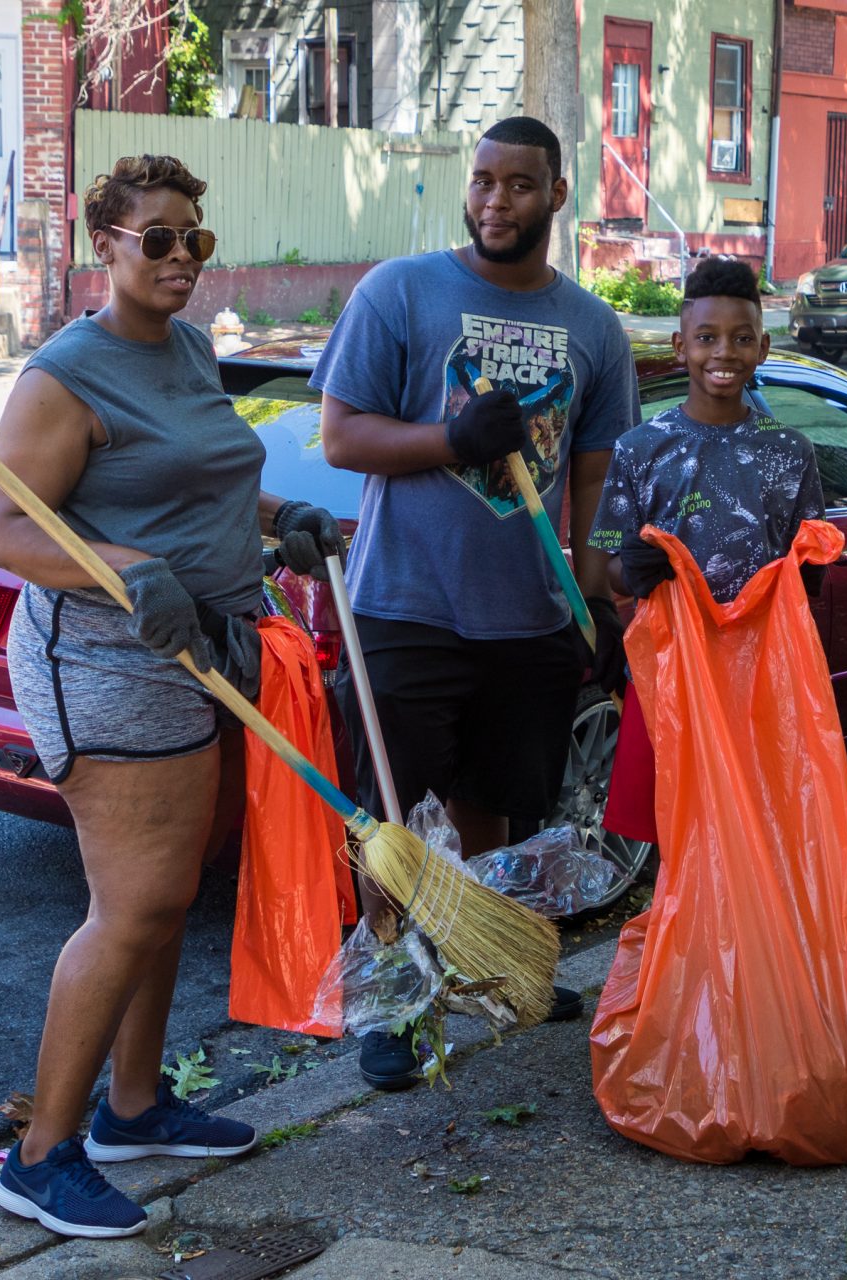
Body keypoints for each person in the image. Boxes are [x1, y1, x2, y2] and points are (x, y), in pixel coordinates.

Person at [0, 154, 345, 1238]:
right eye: (158, 239)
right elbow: (7, 532)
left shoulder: (189, 346)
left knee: (168, 892)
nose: (183, 257)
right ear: (107, 245)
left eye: (197, 238)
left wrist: (280, 517)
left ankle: (135, 1106)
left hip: (203, 651)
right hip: (105, 664)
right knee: (130, 903)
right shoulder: (63, 375)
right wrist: (124, 566)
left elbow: (205, 477)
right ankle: (41, 1153)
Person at [311, 116, 640, 1089]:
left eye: (520, 185)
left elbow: (593, 477)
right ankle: (390, 999)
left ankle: (484, 966)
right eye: (484, 182)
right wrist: (450, 441)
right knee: (394, 826)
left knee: (498, 813)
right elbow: (340, 436)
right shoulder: (401, 292)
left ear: (558, 195)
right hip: (406, 606)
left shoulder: (592, 328)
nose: (496, 201)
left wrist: (597, 603)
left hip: (530, 620)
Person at [587, 255, 826, 849]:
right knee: (679, 825)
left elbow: (811, 567)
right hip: (673, 668)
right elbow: (611, 565)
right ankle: (689, 938)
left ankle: (750, 941)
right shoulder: (641, 448)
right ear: (680, 345)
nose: (724, 353)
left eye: (742, 338)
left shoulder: (790, 452)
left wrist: (806, 577)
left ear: (764, 347)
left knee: (760, 824)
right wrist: (632, 570)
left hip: (763, 671)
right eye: (707, 338)